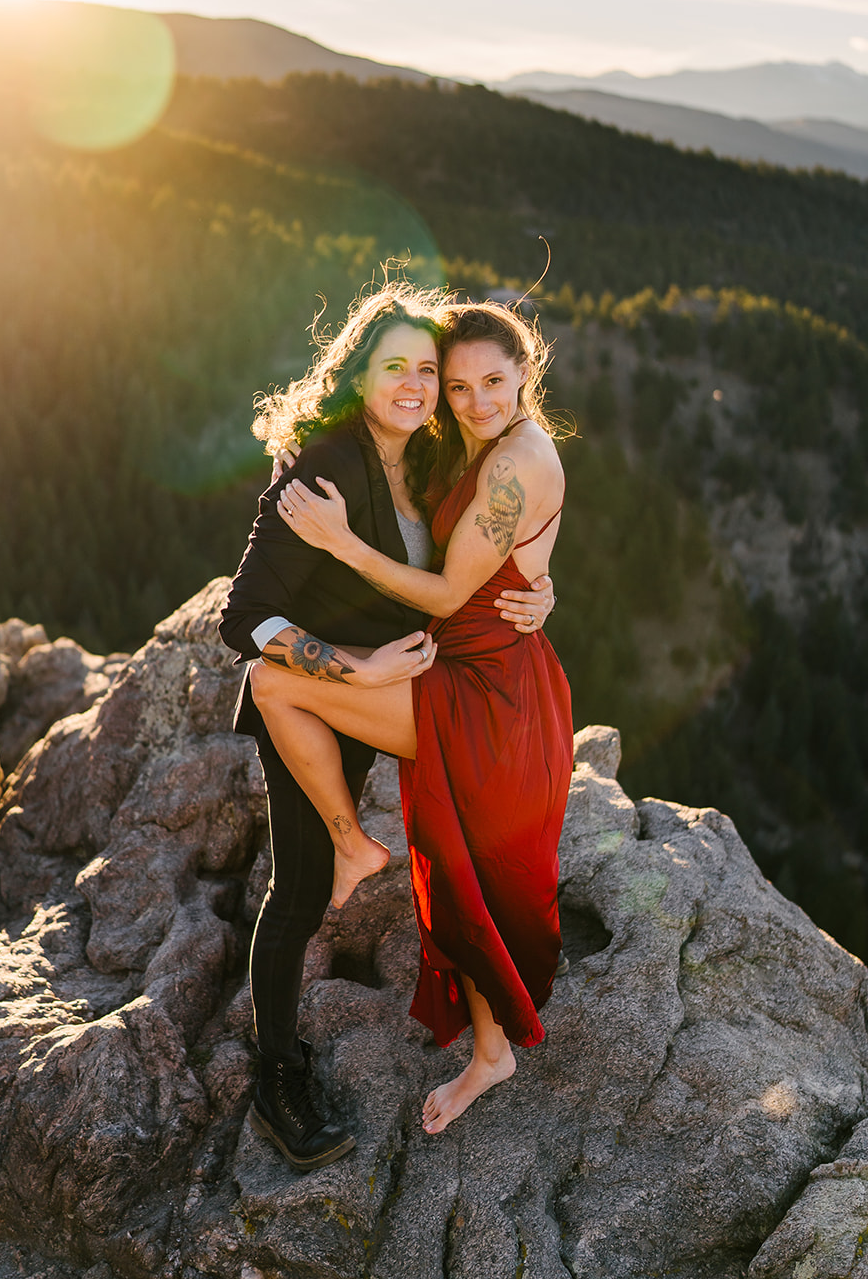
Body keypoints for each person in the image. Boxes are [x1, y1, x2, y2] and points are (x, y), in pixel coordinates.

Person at [218, 283, 554, 1171]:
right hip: (341, 696)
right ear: (354, 374)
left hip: (422, 690)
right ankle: (277, 1082)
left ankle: (488, 1044)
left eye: (425, 370)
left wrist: (538, 584)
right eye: (393, 368)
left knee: (468, 865)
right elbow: (243, 613)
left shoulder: (445, 451)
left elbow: (482, 559)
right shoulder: (322, 468)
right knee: (294, 890)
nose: (417, 386)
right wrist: (351, 666)